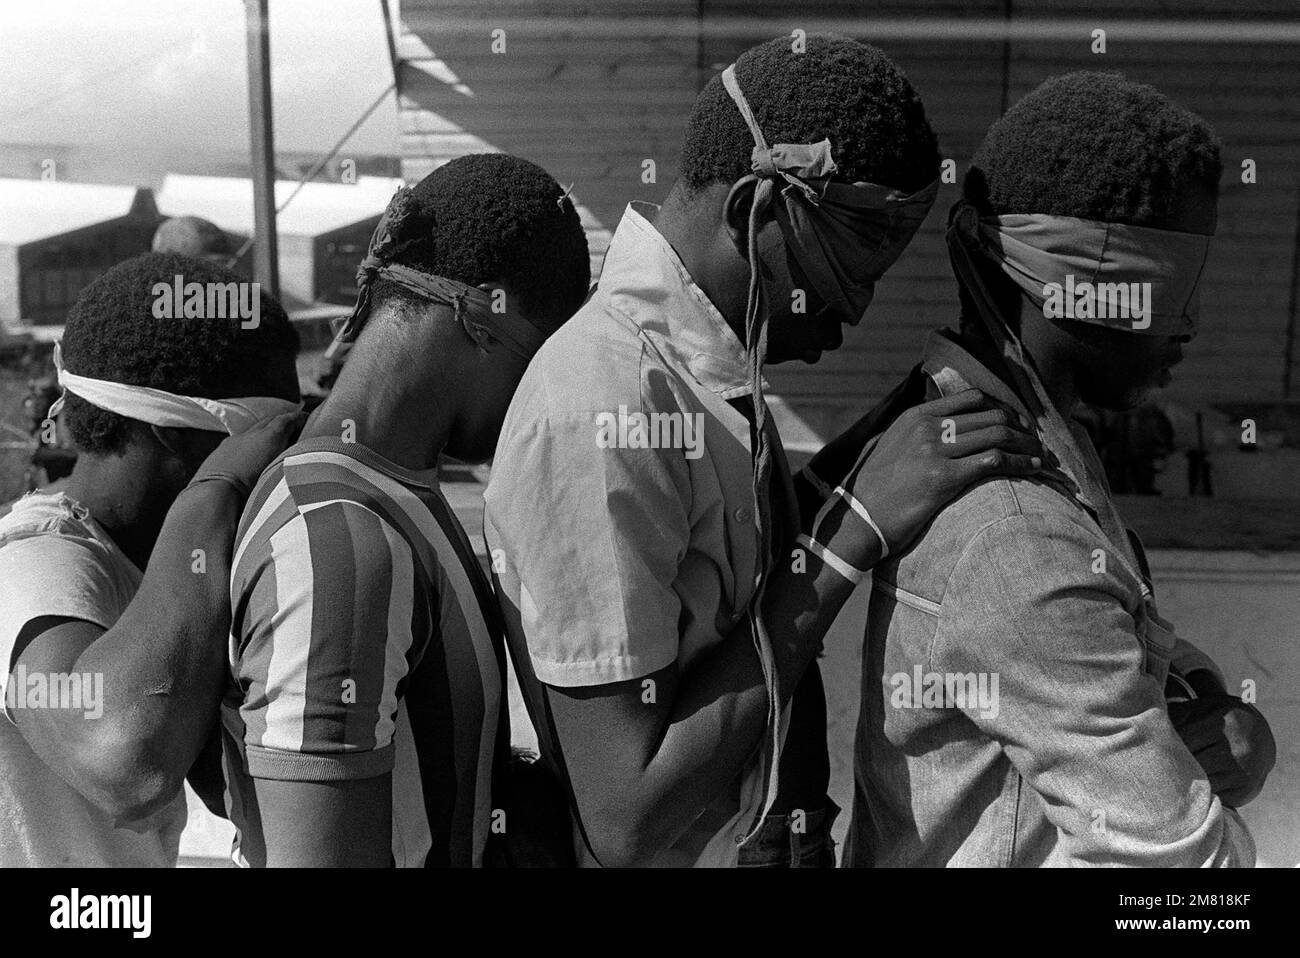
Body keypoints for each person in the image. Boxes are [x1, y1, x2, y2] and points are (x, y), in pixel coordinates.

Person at [484, 34, 1047, 868]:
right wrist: (846, 542)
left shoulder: (698, 373)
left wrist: (882, 436)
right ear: (756, 210)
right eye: (847, 274)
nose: (853, 314)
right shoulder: (602, 405)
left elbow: (737, 582)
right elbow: (625, 815)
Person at [846, 72, 1275, 867]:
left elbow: (1098, 636)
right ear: (1080, 287)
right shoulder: (1013, 523)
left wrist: (1208, 700)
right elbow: (1178, 868)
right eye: (1169, 291)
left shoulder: (1039, 439)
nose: (1189, 329)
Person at [222, 153, 590, 867]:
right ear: (483, 316)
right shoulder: (337, 539)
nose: (542, 392)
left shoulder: (394, 490)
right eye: (539, 357)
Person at [0, 252, 302, 867]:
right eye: (274, 438)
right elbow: (123, 763)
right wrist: (213, 493)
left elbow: (229, 785)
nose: (283, 462)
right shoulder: (31, 560)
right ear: (176, 434)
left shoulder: (156, 564)